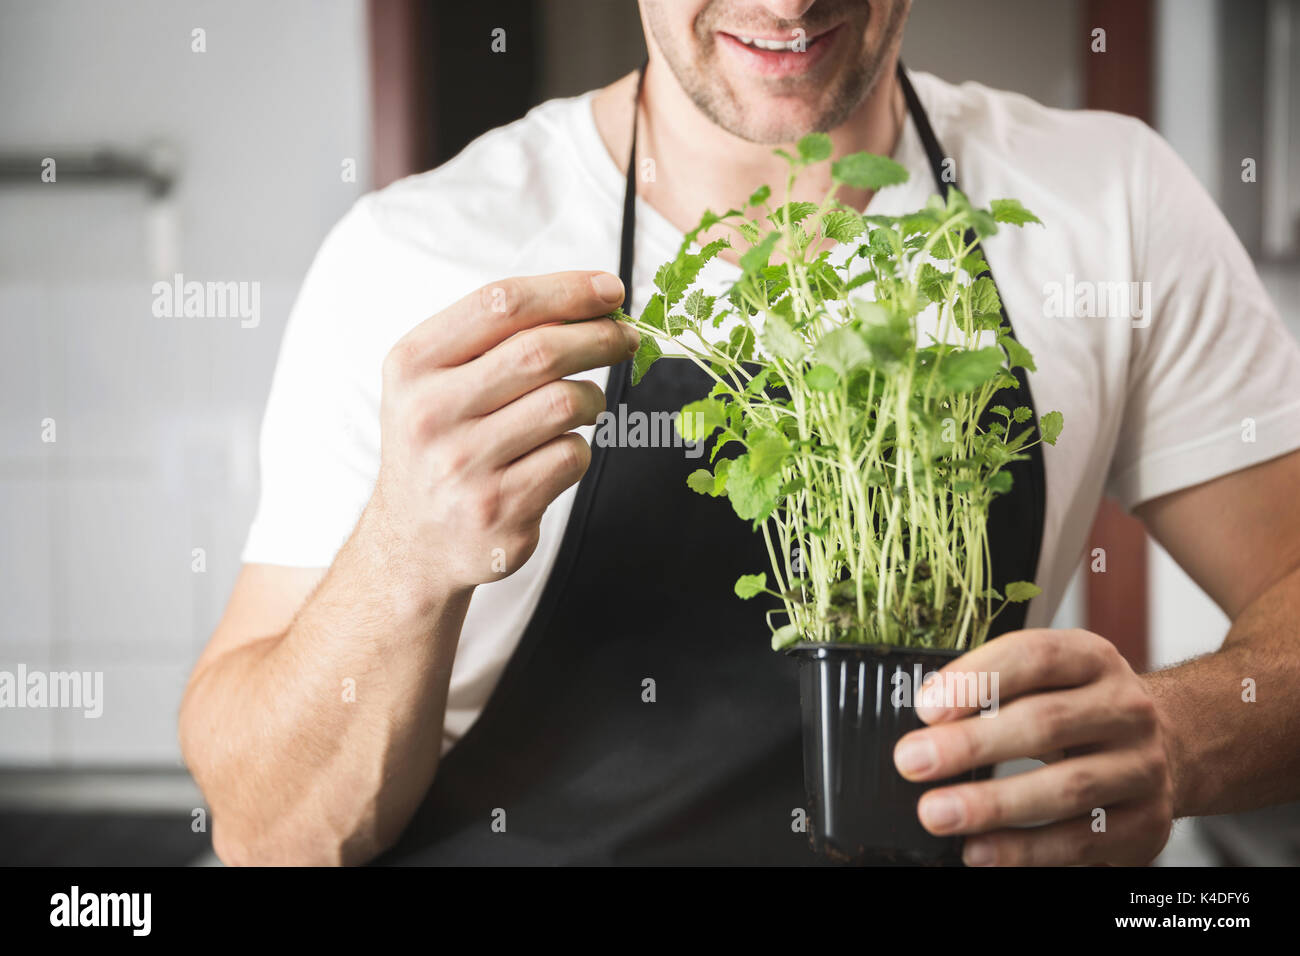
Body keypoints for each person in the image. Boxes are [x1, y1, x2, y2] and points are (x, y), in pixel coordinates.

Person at [179, 0, 1300, 866]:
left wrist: (1178, 734)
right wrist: (399, 557)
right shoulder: (419, 252)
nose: (786, 1)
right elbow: (268, 833)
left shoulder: (1110, 201)